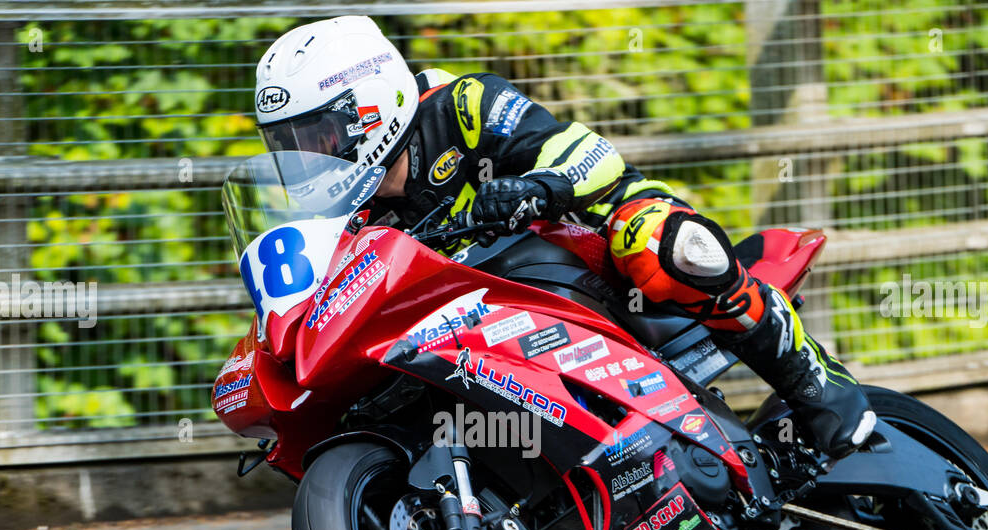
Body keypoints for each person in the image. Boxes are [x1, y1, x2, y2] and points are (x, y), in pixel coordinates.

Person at [252, 15, 875, 458]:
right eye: (287, 145)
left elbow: (591, 154)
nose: (306, 159)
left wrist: (535, 188)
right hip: (490, 317)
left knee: (660, 246)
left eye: (316, 137)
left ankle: (813, 381)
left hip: (589, 248)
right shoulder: (348, 213)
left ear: (369, 108)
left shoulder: (462, 104)